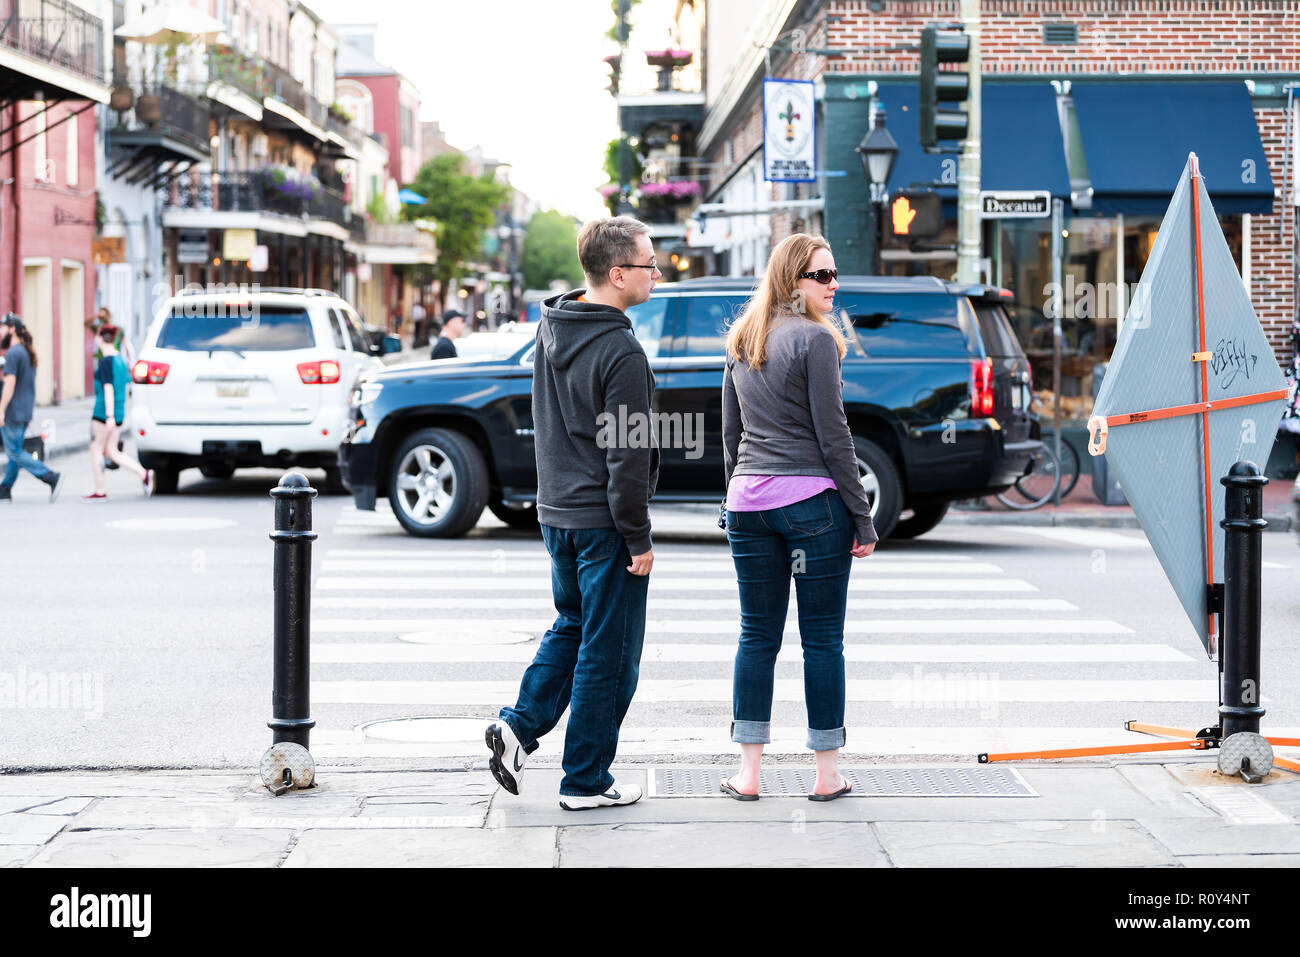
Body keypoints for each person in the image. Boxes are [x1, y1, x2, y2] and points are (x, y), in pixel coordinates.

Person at [485, 216, 661, 811]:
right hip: (604, 523)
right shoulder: (621, 351)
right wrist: (637, 536)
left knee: (574, 627)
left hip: (557, 511)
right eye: (649, 264)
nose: (657, 274)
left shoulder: (553, 326)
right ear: (618, 274)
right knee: (608, 655)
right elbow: (628, 454)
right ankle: (586, 781)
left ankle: (517, 728)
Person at [719, 233, 877, 802]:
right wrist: (862, 518)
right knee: (822, 640)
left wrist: (735, 498)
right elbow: (835, 437)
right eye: (823, 276)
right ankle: (827, 775)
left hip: (749, 506)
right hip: (813, 506)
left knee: (756, 635)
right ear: (793, 280)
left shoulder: (742, 340)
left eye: (835, 275)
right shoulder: (815, 341)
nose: (834, 286)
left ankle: (749, 775)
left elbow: (731, 438)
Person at [81, 324, 153, 502]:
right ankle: (143, 473)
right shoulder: (120, 360)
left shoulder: (106, 361)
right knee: (111, 451)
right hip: (119, 410)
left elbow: (108, 389)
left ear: (99, 338)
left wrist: (109, 416)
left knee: (96, 448)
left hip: (105, 412)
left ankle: (99, 490)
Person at [0, 314, 64, 502]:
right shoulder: (27, 352)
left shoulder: (13, 353)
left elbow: (10, 384)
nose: (0, 332)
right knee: (15, 450)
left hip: (13, 410)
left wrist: (1, 409)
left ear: (12, 329)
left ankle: (50, 476)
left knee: (14, 451)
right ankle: (5, 487)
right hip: (24, 409)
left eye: (2, 327)